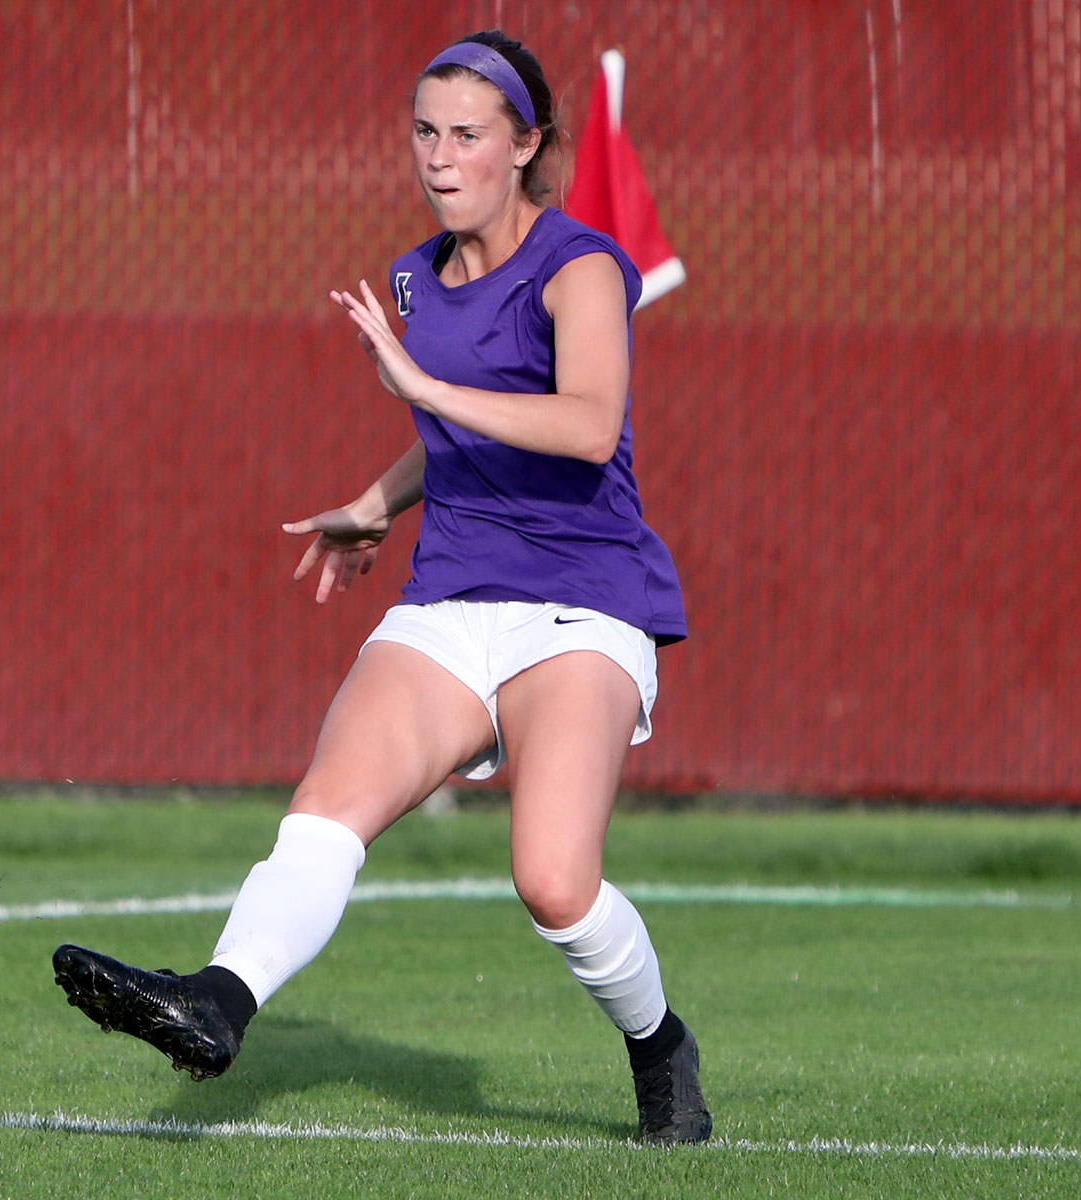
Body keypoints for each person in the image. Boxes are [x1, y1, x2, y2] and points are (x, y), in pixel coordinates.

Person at [51, 29, 710, 1145]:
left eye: (467, 135)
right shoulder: (417, 275)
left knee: (555, 883)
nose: (439, 158)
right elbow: (457, 432)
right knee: (325, 813)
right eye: (424, 132)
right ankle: (216, 1001)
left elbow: (589, 427)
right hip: (452, 596)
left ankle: (660, 1046)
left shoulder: (582, 265)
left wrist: (416, 384)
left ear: (525, 145)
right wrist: (376, 499)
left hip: (581, 604)